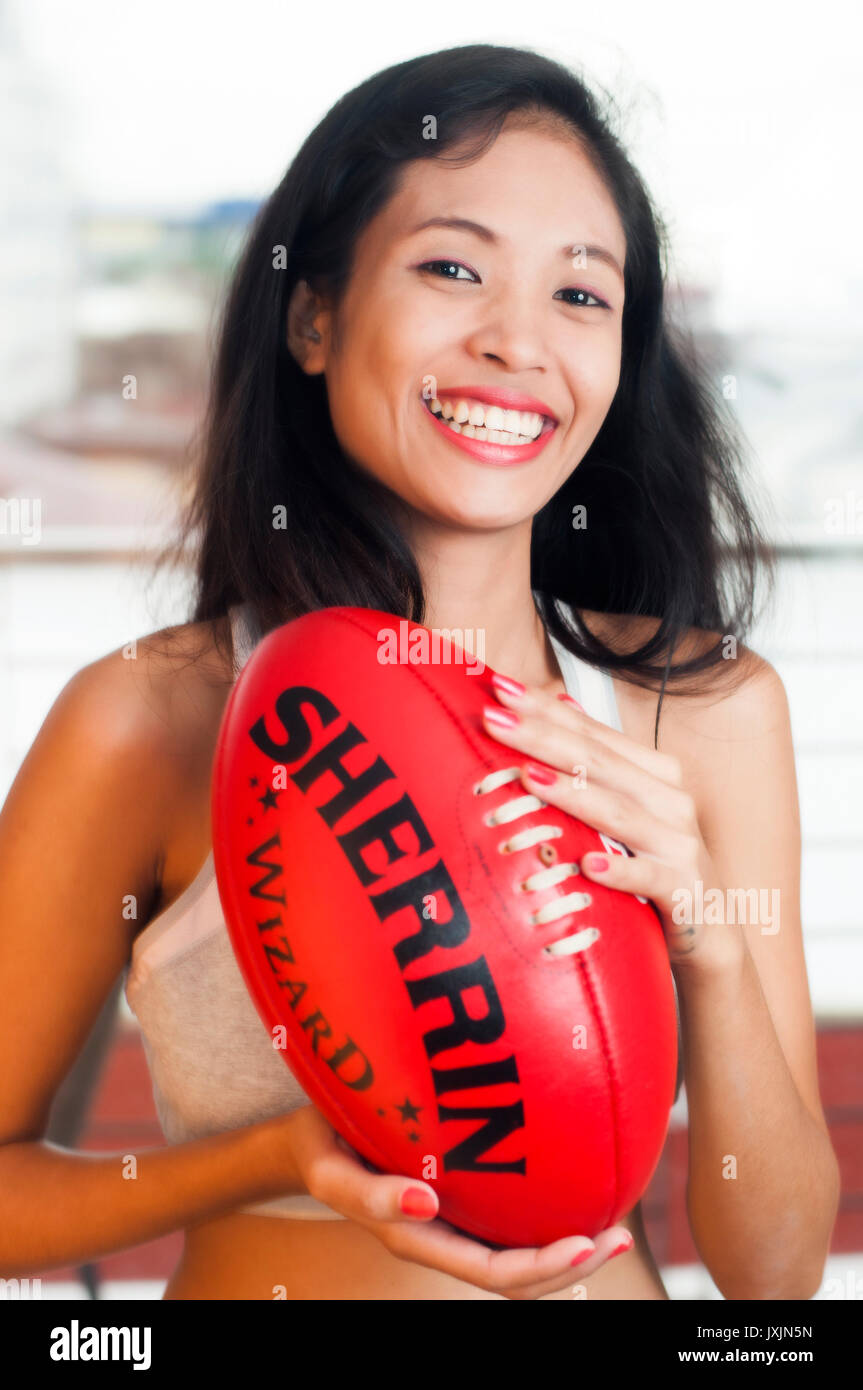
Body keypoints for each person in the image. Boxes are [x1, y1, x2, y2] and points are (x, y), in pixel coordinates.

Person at [0, 44, 839, 1301]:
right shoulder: (151, 718)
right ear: (312, 316)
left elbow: (769, 1276)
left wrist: (708, 937)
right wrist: (277, 1155)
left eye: (581, 295)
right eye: (452, 268)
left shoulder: (699, 712)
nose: (516, 343)